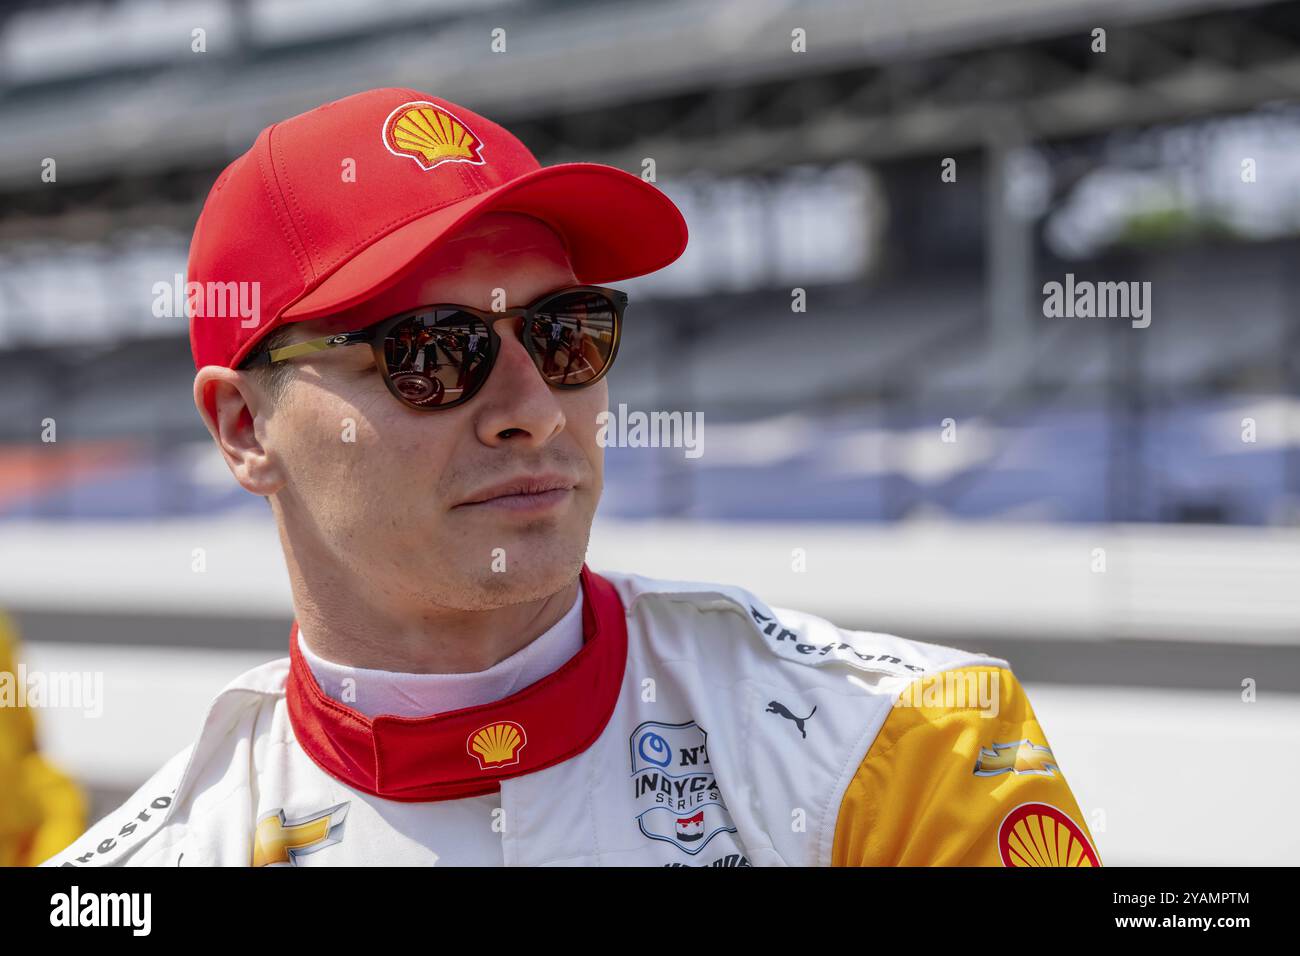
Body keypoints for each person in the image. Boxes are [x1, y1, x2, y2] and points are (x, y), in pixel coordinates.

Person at [45, 89, 1097, 867]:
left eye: (565, 334)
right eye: (429, 349)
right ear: (242, 427)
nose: (535, 408)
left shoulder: (907, 745)